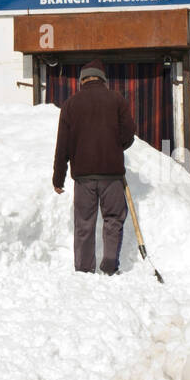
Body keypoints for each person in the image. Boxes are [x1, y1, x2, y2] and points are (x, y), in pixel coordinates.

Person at [52, 60, 137, 276]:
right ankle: (109, 265)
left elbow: (62, 145)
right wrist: (117, 147)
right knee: (113, 219)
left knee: (84, 223)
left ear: (82, 80)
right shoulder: (117, 100)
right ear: (103, 79)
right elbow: (129, 134)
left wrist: (58, 179)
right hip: (112, 175)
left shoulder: (71, 104)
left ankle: (83, 269)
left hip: (83, 177)